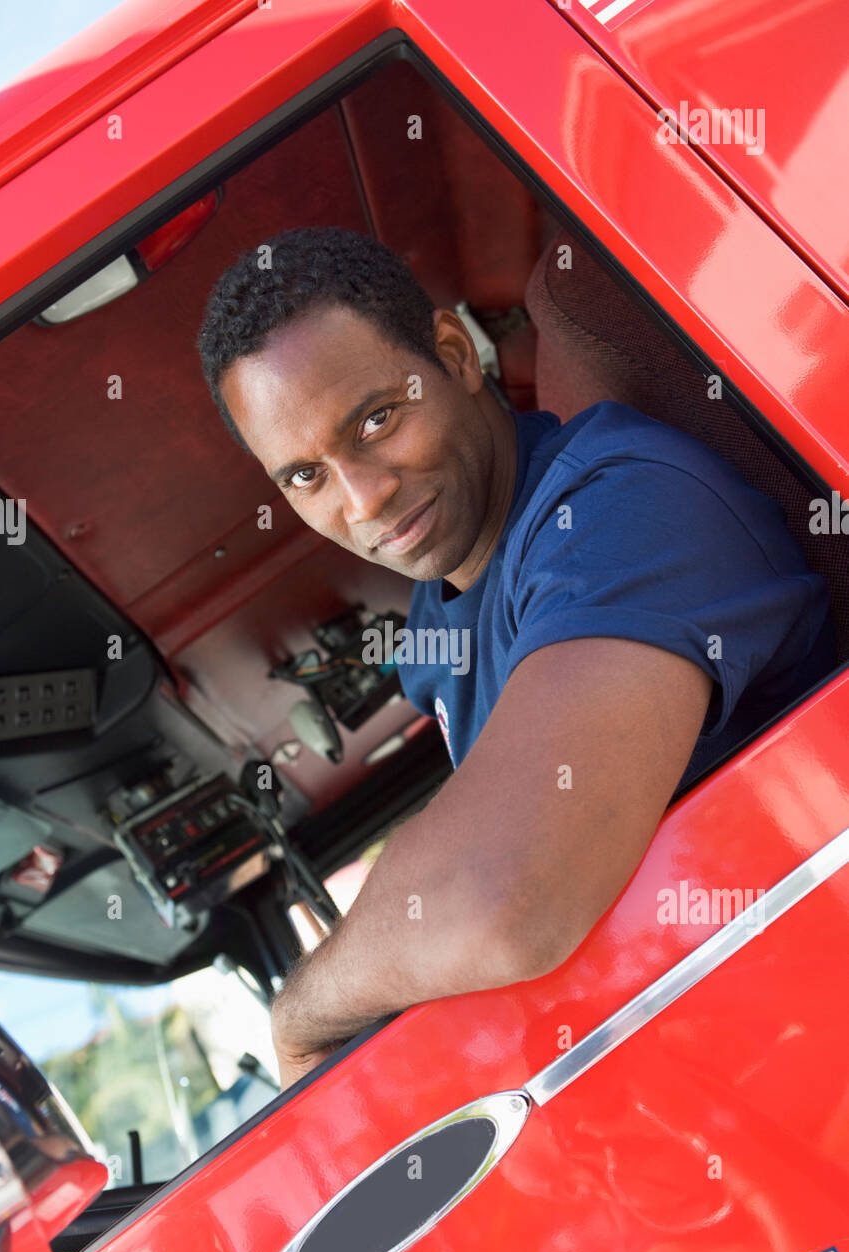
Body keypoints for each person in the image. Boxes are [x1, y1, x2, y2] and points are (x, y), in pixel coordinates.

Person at [198, 226, 834, 1090]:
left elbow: (502, 894)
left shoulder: (622, 505)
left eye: (377, 420)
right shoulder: (438, 612)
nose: (363, 496)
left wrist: (300, 1011)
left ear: (455, 355)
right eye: (305, 476)